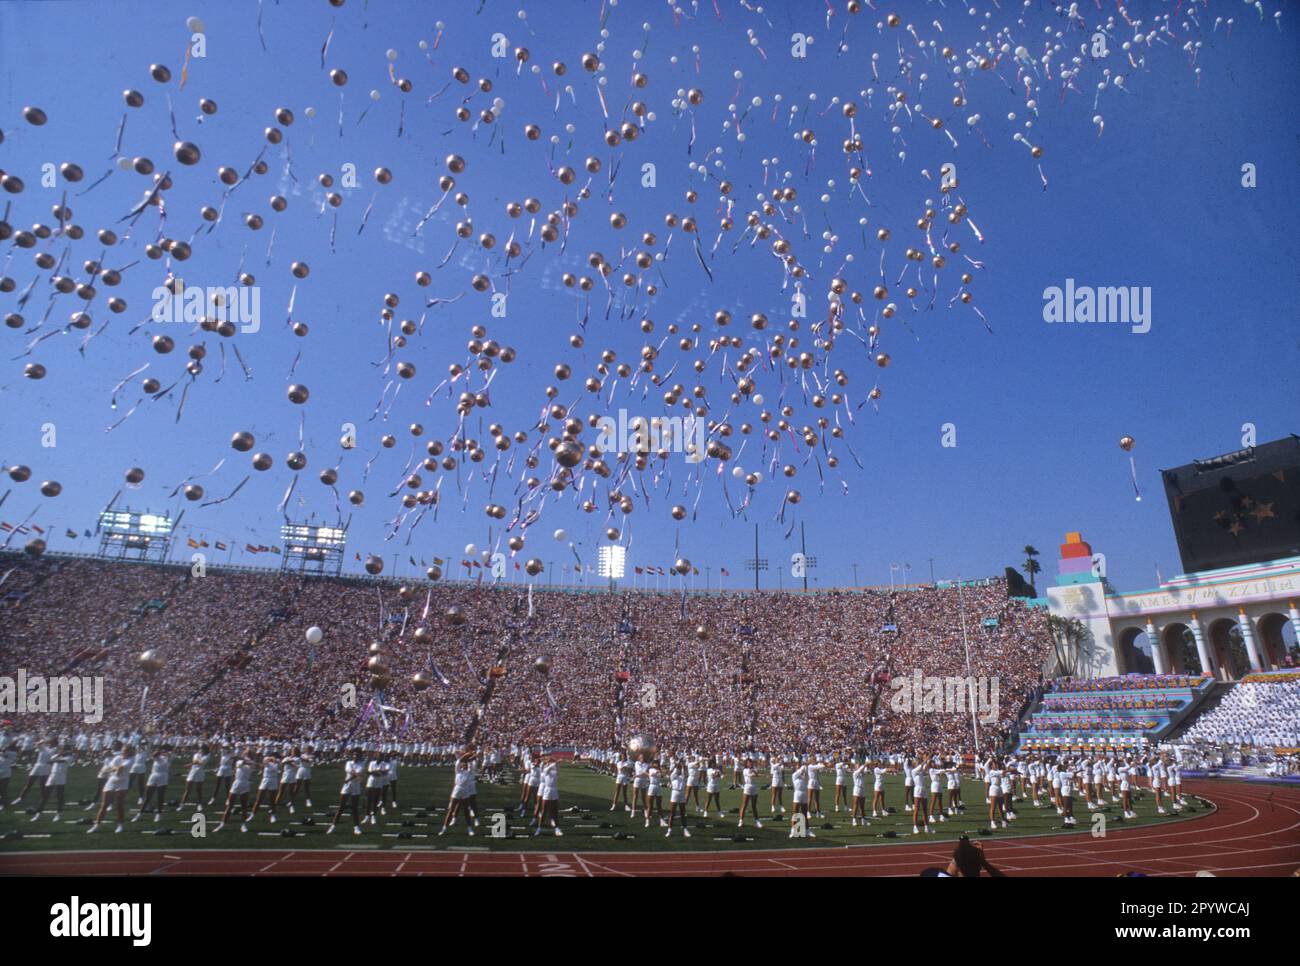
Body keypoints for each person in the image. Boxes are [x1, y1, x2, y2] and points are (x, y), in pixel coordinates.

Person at [89, 743, 135, 834]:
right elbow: (113, 767)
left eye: (125, 751)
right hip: (111, 781)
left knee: (119, 805)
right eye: (122, 750)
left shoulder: (131, 759)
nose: (123, 752)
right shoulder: (118, 758)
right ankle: (96, 825)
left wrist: (113, 769)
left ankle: (120, 825)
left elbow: (119, 770)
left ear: (129, 752)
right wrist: (114, 768)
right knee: (104, 805)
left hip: (122, 782)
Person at [440, 749, 478, 836]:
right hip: (457, 790)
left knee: (466, 811)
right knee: (451, 810)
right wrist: (469, 753)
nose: (464, 764)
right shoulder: (458, 770)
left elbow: (472, 762)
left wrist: (471, 757)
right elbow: (461, 760)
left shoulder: (469, 771)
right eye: (463, 763)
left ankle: (470, 829)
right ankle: (444, 828)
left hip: (465, 791)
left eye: (465, 764)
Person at [327, 750, 364, 835]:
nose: (355, 756)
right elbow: (351, 772)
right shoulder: (348, 763)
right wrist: (355, 775)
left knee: (354, 807)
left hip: (355, 785)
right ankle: (333, 826)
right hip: (347, 785)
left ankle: (356, 827)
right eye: (354, 754)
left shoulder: (361, 764)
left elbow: (355, 774)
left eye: (357, 755)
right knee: (341, 807)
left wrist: (349, 779)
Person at [32, 743, 72, 822]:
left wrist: (59, 755)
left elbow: (60, 761)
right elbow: (50, 761)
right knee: (45, 796)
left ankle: (58, 814)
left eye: (63, 748)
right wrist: (59, 754)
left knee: (59, 796)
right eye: (61, 748)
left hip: (61, 776)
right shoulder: (56, 755)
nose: (61, 750)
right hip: (52, 775)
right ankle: (38, 814)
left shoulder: (70, 757)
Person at [177, 743, 210, 812]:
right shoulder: (196, 754)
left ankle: (200, 804)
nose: (200, 750)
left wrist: (192, 763)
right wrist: (196, 761)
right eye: (200, 748)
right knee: (187, 790)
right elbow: (195, 761)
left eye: (202, 749)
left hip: (200, 773)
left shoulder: (207, 756)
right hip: (192, 772)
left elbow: (201, 763)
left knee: (199, 790)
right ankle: (182, 805)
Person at [666, 759, 691, 838]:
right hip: (675, 793)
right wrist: (678, 764)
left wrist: (683, 766)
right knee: (672, 813)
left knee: (683, 813)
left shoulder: (683, 776)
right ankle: (669, 830)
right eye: (678, 768)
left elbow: (686, 773)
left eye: (680, 768)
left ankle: (685, 829)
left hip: (682, 793)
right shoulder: (673, 776)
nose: (679, 769)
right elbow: (675, 771)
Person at [737, 758, 764, 830]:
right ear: (746, 764)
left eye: (751, 763)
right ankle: (741, 821)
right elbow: (752, 775)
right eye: (749, 763)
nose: (750, 764)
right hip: (747, 787)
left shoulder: (754, 768)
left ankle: (757, 821)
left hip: (754, 787)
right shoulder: (745, 770)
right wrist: (755, 772)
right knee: (744, 804)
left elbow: (756, 775)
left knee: (754, 806)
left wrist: (756, 772)